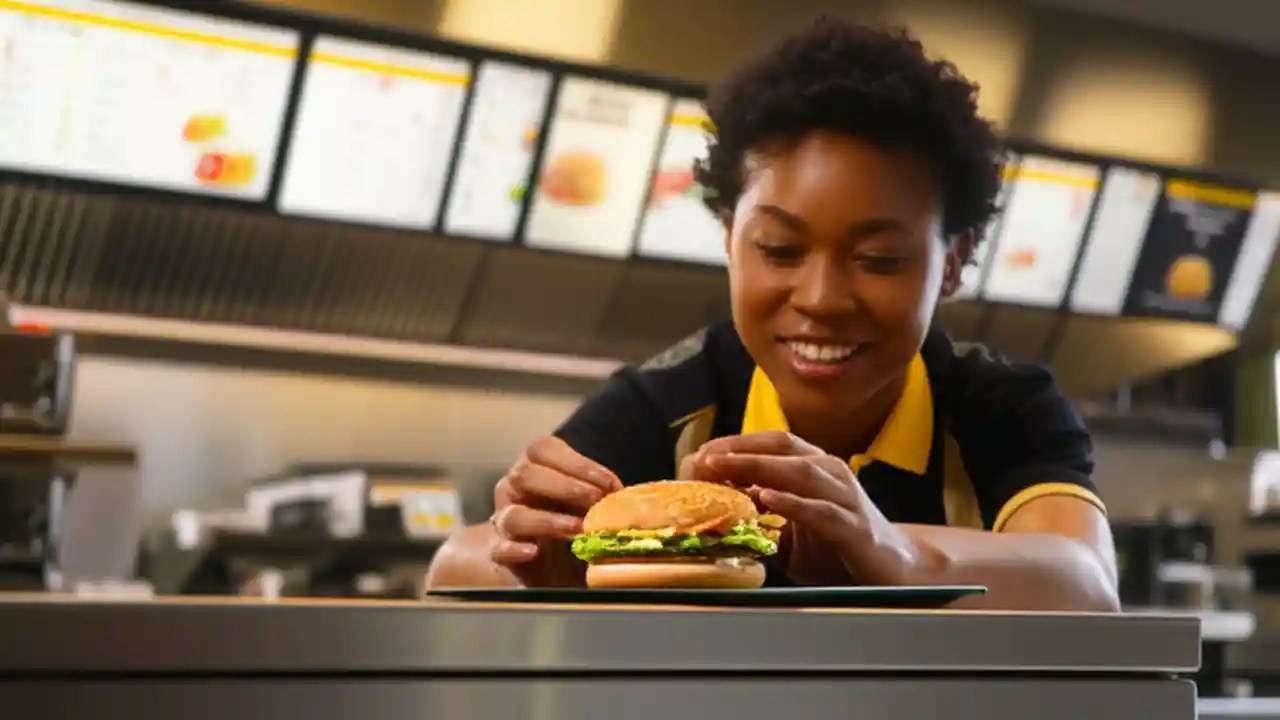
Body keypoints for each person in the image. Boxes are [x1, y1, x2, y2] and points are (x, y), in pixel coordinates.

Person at [425, 18, 1119, 611]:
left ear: (956, 260)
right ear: (730, 236)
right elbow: (453, 565)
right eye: (780, 249)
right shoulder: (665, 403)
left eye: (878, 259)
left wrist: (884, 545)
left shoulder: (1000, 406)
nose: (820, 298)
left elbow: (1086, 583)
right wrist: (544, 568)